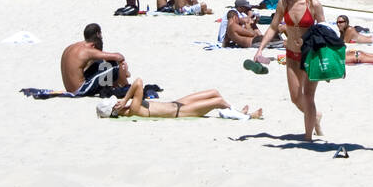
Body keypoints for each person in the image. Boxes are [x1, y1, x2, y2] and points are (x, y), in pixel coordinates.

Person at [247, 0, 326, 140]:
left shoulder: (314, 4)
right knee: (296, 98)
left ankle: (308, 137)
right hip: (291, 54)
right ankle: (315, 117)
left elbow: (325, 32)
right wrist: (260, 49)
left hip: (310, 55)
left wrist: (325, 62)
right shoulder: (284, 3)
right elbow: (274, 27)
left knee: (308, 96)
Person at [97, 79, 262, 119]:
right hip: (181, 111)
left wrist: (125, 101)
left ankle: (233, 110)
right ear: (114, 111)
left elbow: (138, 83)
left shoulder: (131, 105)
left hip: (177, 103)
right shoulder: (133, 109)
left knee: (214, 92)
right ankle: (245, 115)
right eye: (115, 104)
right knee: (217, 102)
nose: (118, 102)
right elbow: (138, 82)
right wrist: (126, 100)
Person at [60, 23, 129, 92]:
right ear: (98, 34)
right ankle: (126, 86)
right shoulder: (88, 50)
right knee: (114, 64)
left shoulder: (72, 47)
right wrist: (125, 71)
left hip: (69, 89)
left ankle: (113, 86)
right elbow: (119, 57)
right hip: (80, 90)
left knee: (100, 63)